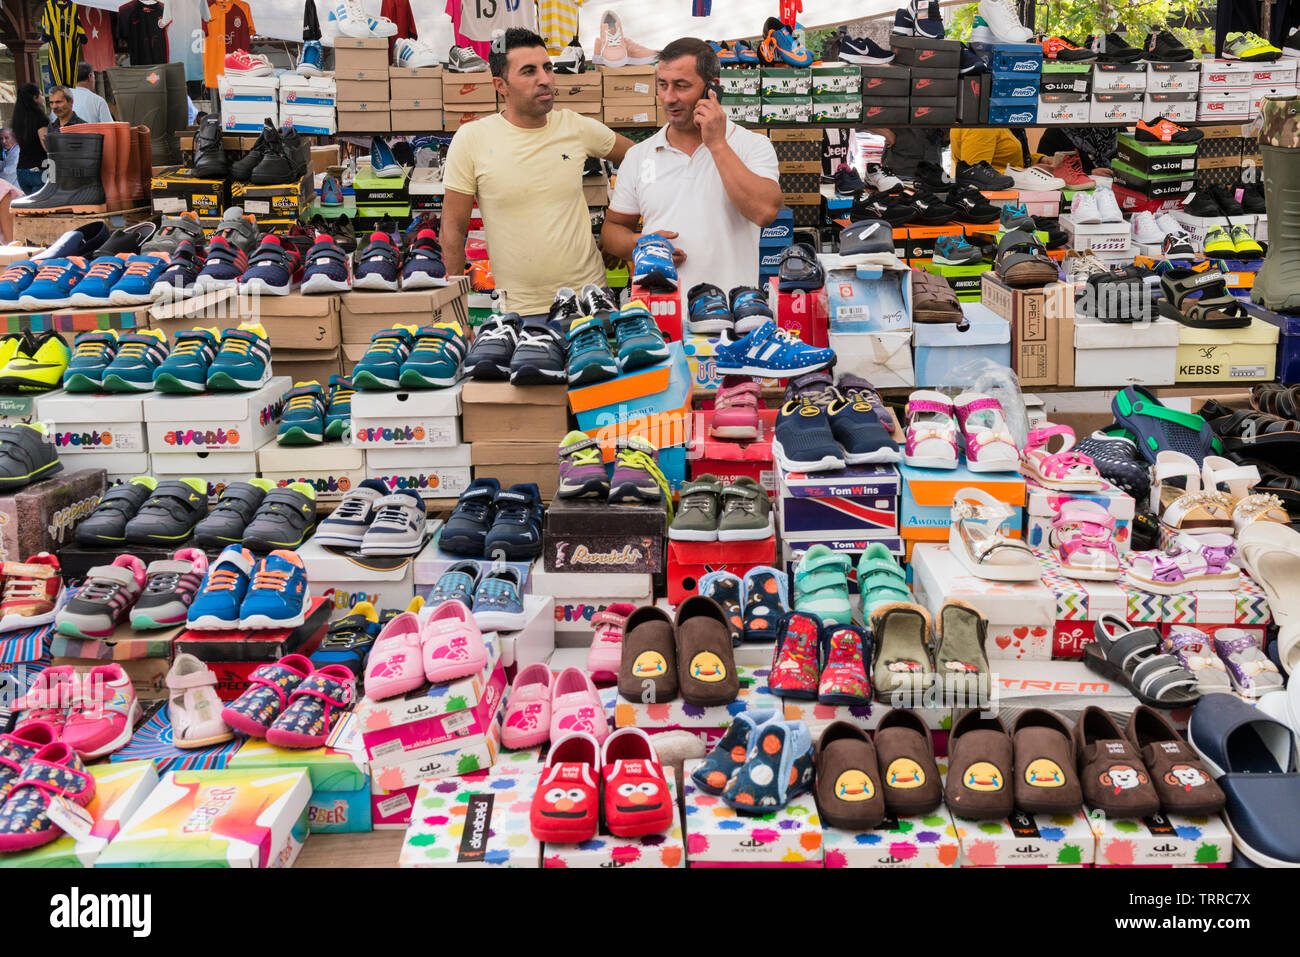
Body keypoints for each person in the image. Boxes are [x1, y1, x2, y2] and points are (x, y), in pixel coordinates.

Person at [442, 28, 634, 319]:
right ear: (500, 85)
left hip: (590, 303)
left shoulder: (575, 127)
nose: (544, 79)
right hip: (521, 312)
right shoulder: (472, 139)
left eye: (547, 67)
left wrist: (619, 225)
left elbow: (643, 162)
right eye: (529, 71)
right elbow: (453, 231)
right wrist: (455, 318)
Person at [601, 37, 780, 297]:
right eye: (662, 85)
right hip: (662, 317)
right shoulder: (639, 156)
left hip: (734, 315)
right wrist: (640, 244)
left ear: (713, 88)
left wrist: (717, 143)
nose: (669, 97)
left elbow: (765, 212)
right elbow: (612, 230)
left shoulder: (752, 146)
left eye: (681, 86)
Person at [11, 84, 49, 195]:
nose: (42, 98)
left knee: (32, 210)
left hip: (21, 171)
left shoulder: (18, 119)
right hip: (39, 170)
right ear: (35, 98)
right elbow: (46, 145)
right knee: (41, 209)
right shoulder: (40, 119)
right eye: (41, 94)